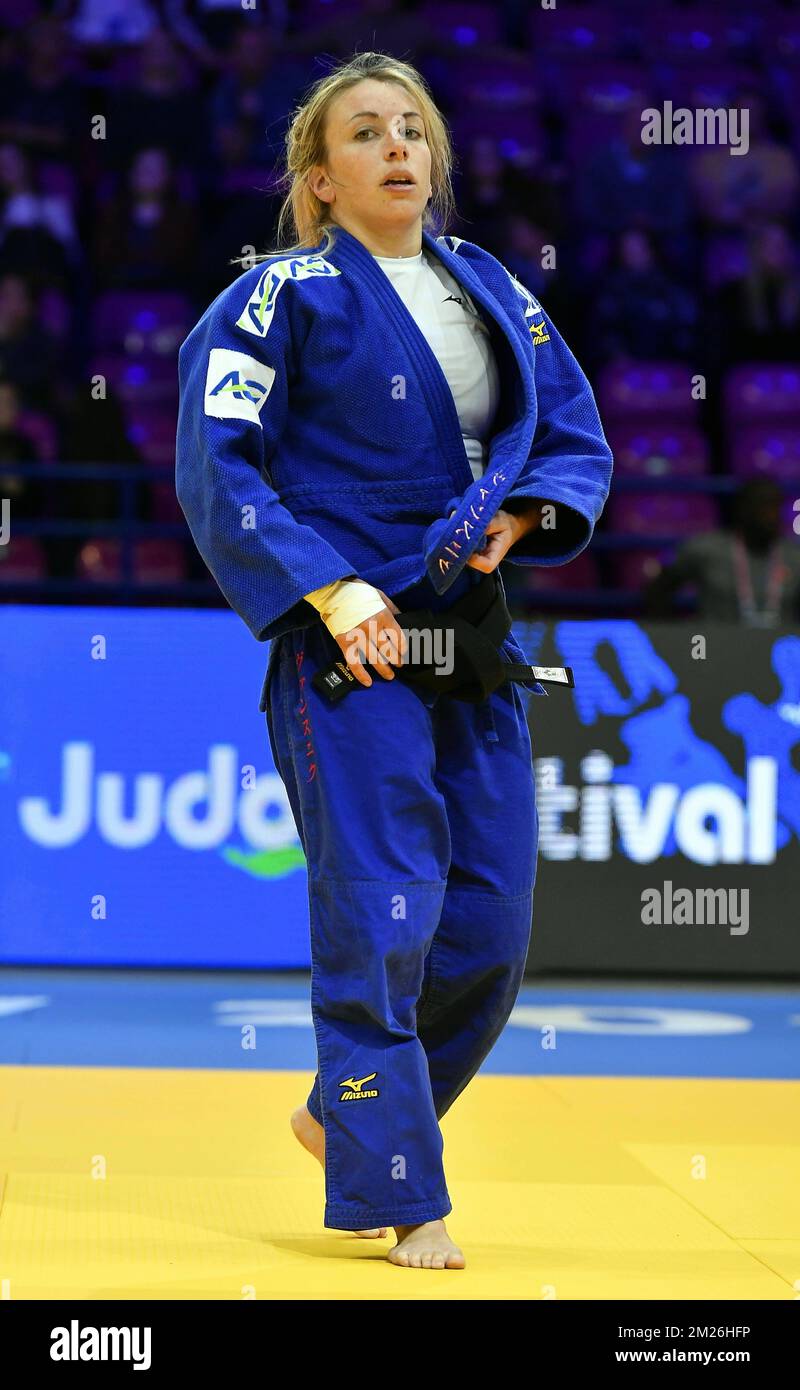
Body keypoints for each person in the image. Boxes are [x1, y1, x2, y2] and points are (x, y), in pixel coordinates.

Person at [175, 51, 612, 1270]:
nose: (397, 149)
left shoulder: (488, 290)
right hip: (343, 640)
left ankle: (341, 1117)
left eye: (412, 129)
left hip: (465, 632)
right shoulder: (281, 294)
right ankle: (401, 1188)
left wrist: (516, 520)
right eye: (365, 134)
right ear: (318, 181)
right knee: (384, 908)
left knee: (491, 922)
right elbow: (218, 456)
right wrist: (329, 583)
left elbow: (569, 435)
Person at [645, 477, 800, 625]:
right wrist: (676, 636)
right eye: (764, 508)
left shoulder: (794, 557)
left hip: (780, 649)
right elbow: (658, 591)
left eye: (776, 508)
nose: (772, 516)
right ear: (743, 510)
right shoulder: (706, 550)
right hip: (717, 649)